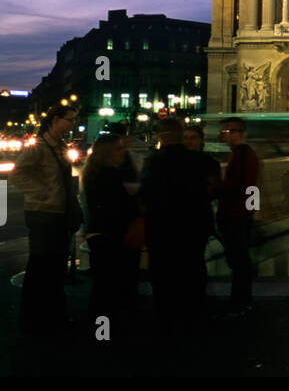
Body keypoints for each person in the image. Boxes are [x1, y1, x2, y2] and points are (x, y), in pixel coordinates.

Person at [11, 105, 83, 335]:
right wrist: (43, 192)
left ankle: (52, 316)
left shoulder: (60, 146)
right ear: (54, 120)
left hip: (57, 214)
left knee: (55, 268)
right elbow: (17, 174)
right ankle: (35, 318)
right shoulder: (39, 147)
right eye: (69, 120)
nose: (73, 124)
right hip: (43, 214)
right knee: (41, 267)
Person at [142, 117, 216, 333]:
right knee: (193, 268)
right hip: (194, 225)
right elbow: (209, 192)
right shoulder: (201, 161)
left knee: (163, 273)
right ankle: (194, 313)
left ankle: (166, 317)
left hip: (162, 226)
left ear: (162, 136)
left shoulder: (154, 161)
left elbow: (146, 193)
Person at [82, 132, 141, 334]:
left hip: (99, 235)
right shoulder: (111, 176)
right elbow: (119, 208)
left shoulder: (95, 172)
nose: (123, 152)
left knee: (103, 288)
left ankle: (102, 332)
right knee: (111, 288)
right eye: (118, 148)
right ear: (107, 152)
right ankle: (105, 333)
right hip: (112, 236)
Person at [216, 117, 260, 317]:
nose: (223, 135)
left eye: (227, 131)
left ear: (238, 132)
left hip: (235, 214)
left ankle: (241, 301)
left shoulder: (243, 155)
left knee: (239, 260)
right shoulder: (242, 154)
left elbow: (249, 185)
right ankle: (241, 300)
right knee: (239, 260)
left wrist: (248, 212)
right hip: (238, 213)